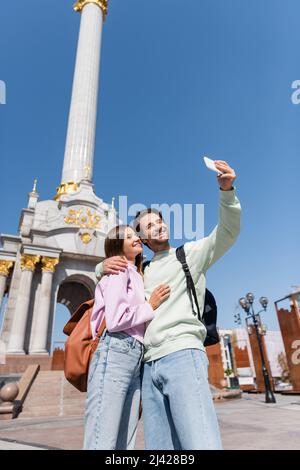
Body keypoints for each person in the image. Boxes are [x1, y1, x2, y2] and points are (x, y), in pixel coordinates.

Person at [96, 160, 241, 450]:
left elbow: (227, 232)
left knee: (199, 441)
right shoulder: (140, 273)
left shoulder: (190, 255)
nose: (158, 226)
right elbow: (115, 296)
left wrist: (227, 192)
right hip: (147, 364)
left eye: (159, 221)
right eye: (149, 226)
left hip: (183, 354)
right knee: (160, 447)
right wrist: (102, 266)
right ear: (143, 240)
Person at [84, 224, 170, 450]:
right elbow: (114, 320)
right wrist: (150, 306)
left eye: (136, 235)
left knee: (125, 437)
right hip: (116, 347)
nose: (136, 238)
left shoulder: (137, 273)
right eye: (128, 236)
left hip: (135, 354)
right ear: (116, 244)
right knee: (104, 435)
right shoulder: (119, 269)